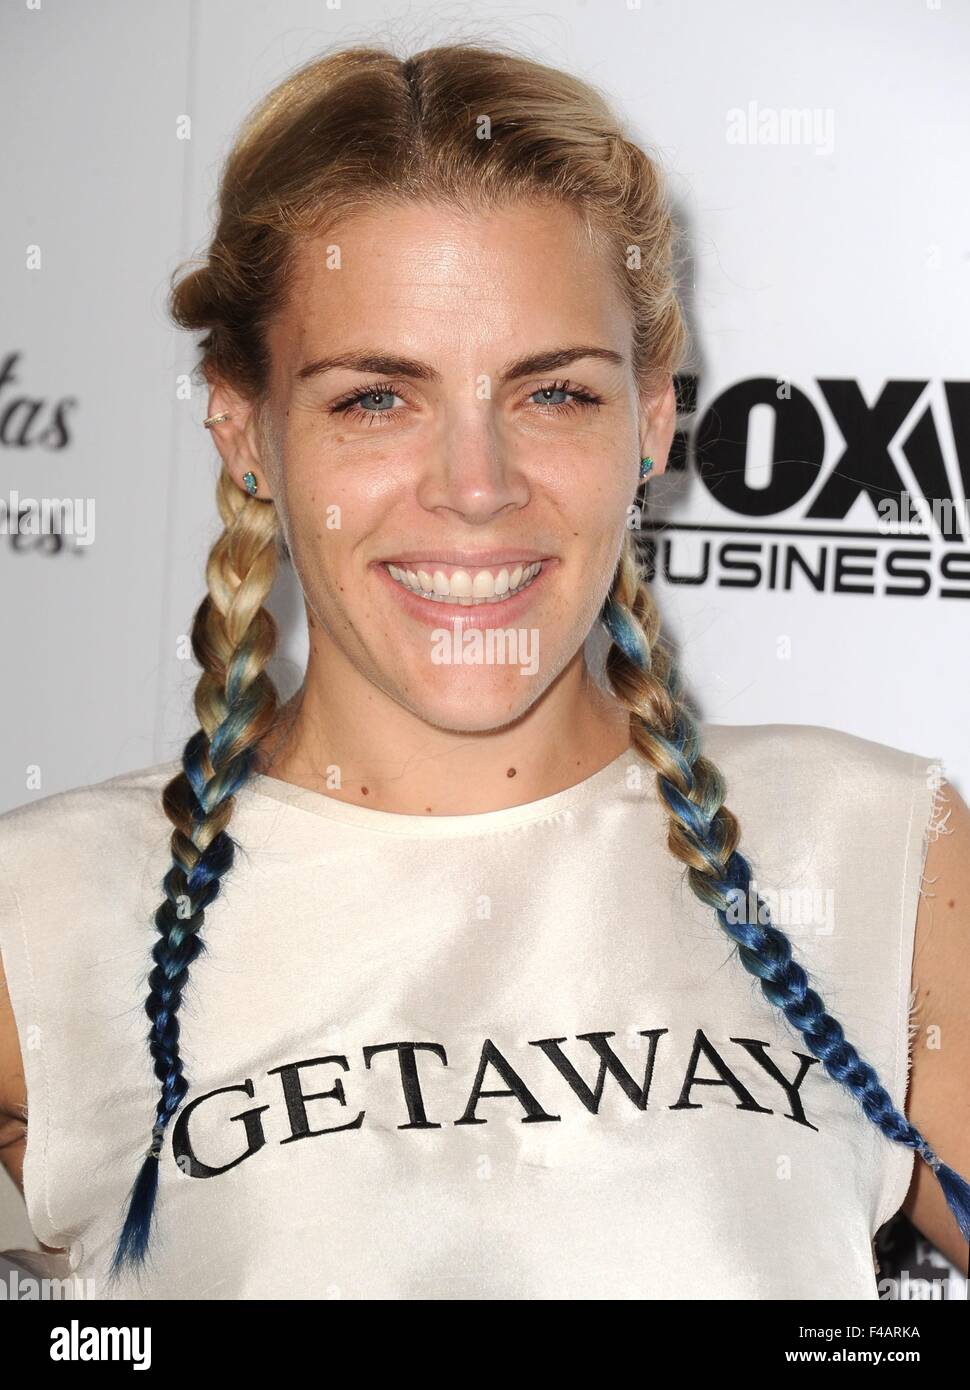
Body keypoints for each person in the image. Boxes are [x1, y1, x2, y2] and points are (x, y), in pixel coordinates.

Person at [0, 42, 967, 1301]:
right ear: (243, 426)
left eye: (553, 393)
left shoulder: (873, 851)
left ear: (654, 419)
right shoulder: (48, 912)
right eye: (373, 400)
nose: (475, 487)